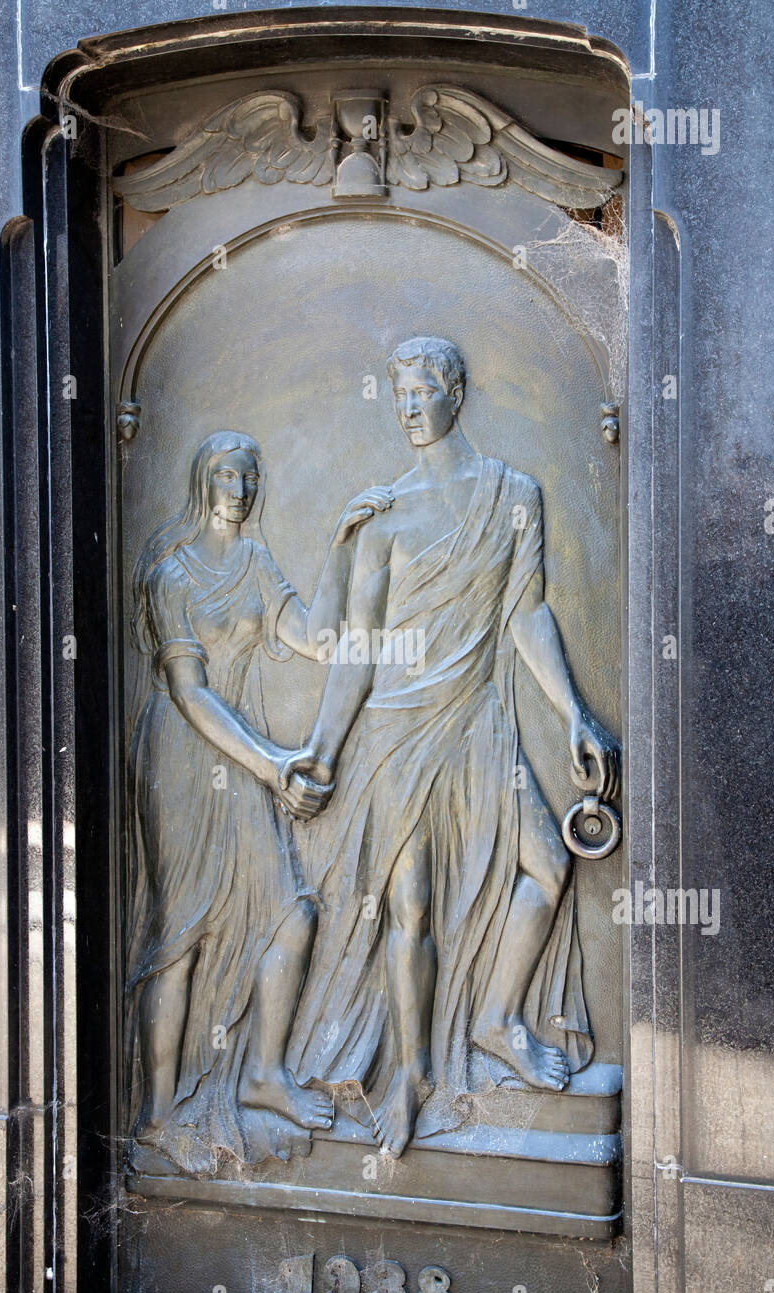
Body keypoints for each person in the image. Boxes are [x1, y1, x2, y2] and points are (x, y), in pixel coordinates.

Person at [283, 338, 620, 1157]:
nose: (407, 404)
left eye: (423, 387)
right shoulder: (383, 516)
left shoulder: (513, 493)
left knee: (548, 864)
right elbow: (358, 647)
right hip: (398, 732)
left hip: (478, 723)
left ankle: (499, 1019)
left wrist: (574, 711)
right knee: (413, 906)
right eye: (397, 390)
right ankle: (412, 1073)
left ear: (457, 392)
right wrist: (323, 753)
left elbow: (526, 612)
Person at [126, 429, 391, 1173]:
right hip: (186, 758)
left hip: (245, 758)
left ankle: (265, 1075)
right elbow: (189, 693)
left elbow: (317, 639)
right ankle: (155, 1112)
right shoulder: (171, 575)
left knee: (292, 914)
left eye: (249, 476)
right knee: (182, 934)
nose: (240, 489)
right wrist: (274, 764)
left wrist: (341, 547)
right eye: (226, 475)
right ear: (201, 482)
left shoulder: (255, 562)